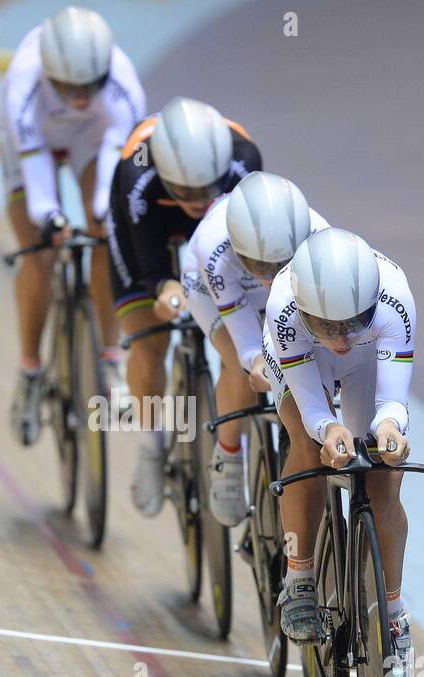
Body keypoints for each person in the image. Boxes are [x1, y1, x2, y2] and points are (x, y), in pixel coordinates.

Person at [261, 227, 418, 677]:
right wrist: (328, 428)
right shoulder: (284, 307)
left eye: (353, 321)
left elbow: (394, 401)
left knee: (385, 470)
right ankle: (300, 579)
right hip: (301, 361)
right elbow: (311, 406)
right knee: (309, 448)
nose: (343, 337)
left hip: (370, 363)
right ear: (307, 310)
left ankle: (392, 611)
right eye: (328, 325)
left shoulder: (395, 298)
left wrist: (390, 427)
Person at [104, 96, 262, 515]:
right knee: (149, 340)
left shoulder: (244, 160)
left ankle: (234, 448)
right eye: (186, 190)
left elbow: (254, 242)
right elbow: (150, 265)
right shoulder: (135, 173)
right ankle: (152, 445)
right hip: (148, 224)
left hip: (221, 225)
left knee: (245, 337)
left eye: (206, 186)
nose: (197, 197)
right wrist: (163, 287)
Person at [0, 6, 145, 445]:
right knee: (39, 256)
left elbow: (111, 165)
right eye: (69, 87)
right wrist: (50, 218)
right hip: (33, 145)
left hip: (92, 140)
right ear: (48, 74)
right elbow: (36, 177)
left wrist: (100, 213)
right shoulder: (22, 87)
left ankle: (109, 357)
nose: (80, 98)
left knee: (108, 234)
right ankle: (29, 371)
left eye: (89, 87)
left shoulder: (124, 88)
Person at [183, 172, 328, 526]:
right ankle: (228, 455)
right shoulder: (214, 251)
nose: (269, 274)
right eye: (258, 264)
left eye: (279, 264)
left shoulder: (321, 239)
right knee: (240, 365)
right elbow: (250, 346)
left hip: (285, 297)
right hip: (212, 292)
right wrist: (257, 362)